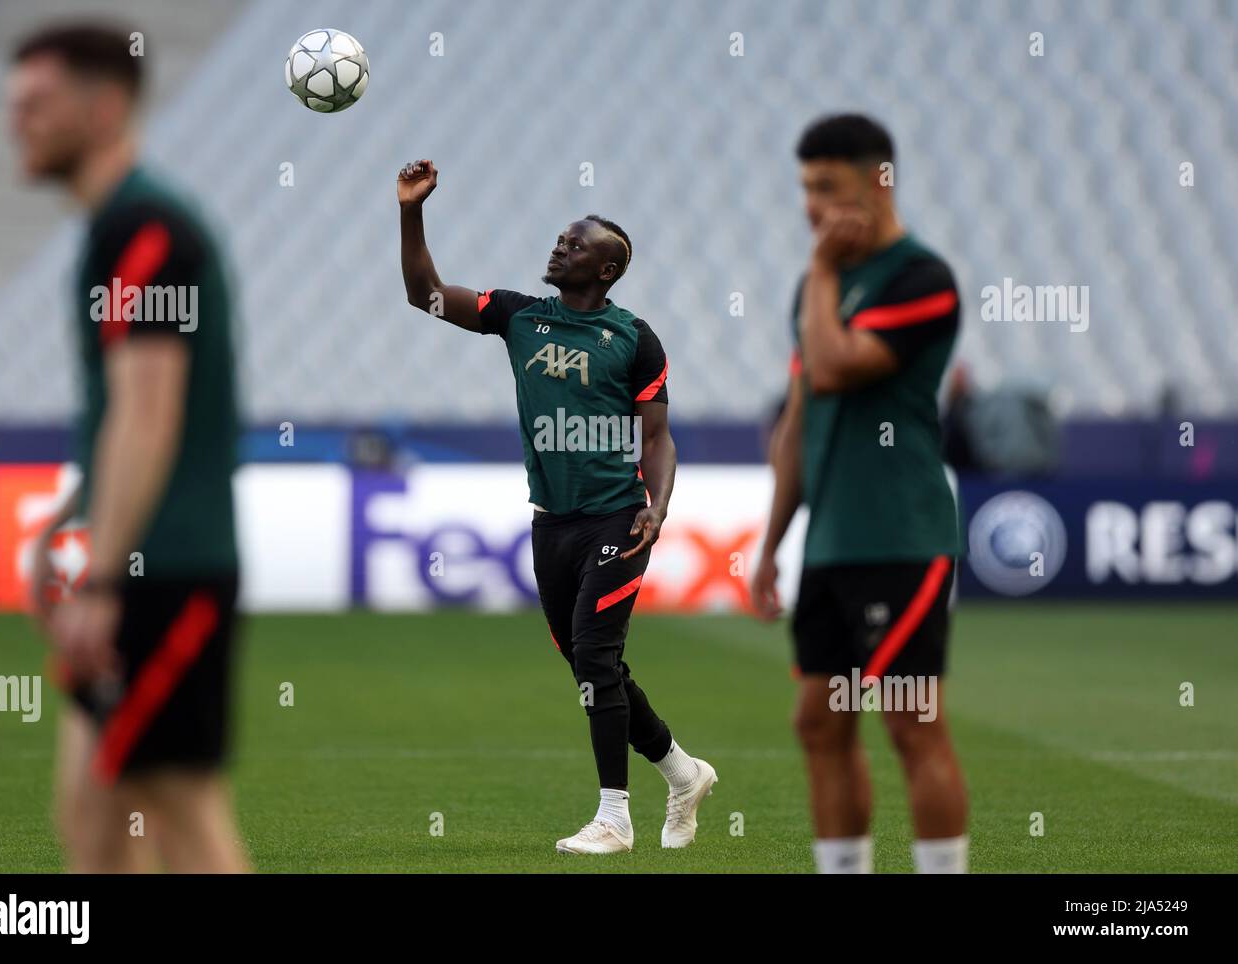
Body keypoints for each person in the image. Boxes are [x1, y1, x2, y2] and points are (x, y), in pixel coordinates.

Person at [397, 158, 716, 854]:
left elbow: (657, 438)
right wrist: (411, 210)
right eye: (561, 239)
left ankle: (614, 818)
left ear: (605, 270)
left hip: (617, 518)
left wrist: (655, 508)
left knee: (598, 660)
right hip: (552, 524)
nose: (559, 247)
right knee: (591, 669)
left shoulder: (635, 338)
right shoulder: (519, 317)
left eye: (576, 245)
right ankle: (685, 773)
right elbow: (423, 294)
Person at [11, 22, 248, 872]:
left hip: (165, 571)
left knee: (178, 809)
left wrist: (104, 578)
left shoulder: (146, 229)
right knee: (95, 814)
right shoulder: (124, 226)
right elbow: (130, 415)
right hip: (143, 564)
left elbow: (149, 413)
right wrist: (67, 528)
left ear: (105, 106)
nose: (18, 123)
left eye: (37, 103)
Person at [752, 114, 969, 873]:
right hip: (834, 543)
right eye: (806, 187)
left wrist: (819, 274)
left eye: (827, 187)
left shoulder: (921, 279)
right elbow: (796, 426)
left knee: (911, 724)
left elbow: (839, 366)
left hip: (902, 537)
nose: (812, 204)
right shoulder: (818, 288)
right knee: (819, 721)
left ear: (879, 182)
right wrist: (771, 549)